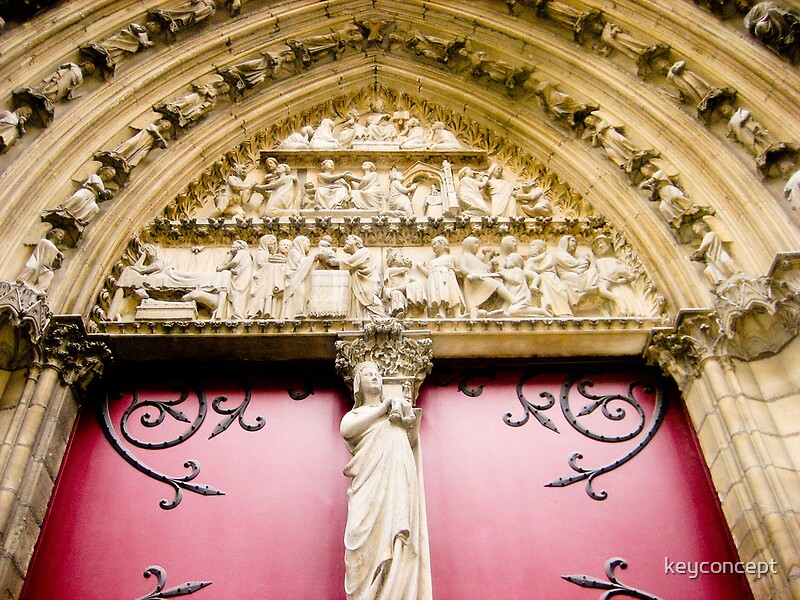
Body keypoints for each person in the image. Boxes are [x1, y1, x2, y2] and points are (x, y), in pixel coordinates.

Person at [341, 361, 424, 600]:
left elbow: (411, 437)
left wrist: (406, 417)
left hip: (396, 480)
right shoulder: (357, 415)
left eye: (377, 374)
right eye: (368, 374)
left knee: (396, 533)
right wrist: (383, 409)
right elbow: (347, 430)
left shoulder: (395, 415)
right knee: (361, 540)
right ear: (358, 384)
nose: (375, 378)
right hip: (367, 487)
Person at [418, 236, 464, 318]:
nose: (433, 247)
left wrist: (454, 270)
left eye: (435, 244)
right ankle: (441, 313)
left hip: (448, 278)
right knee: (440, 296)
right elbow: (429, 273)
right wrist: (420, 267)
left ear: (442, 243)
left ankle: (457, 314)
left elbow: (461, 272)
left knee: (453, 294)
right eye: (432, 245)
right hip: (436, 281)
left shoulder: (452, 258)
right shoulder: (432, 262)